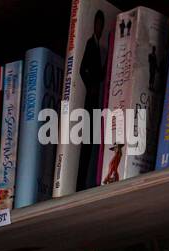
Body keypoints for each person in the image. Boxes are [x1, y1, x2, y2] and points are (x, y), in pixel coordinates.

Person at [77, 9, 107, 188]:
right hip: (90, 98)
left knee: (93, 138)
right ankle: (81, 182)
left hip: (96, 99)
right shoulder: (90, 43)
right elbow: (82, 69)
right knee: (86, 140)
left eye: (101, 25)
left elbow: (99, 74)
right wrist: (90, 87)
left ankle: (87, 180)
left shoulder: (98, 46)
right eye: (97, 24)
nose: (99, 28)